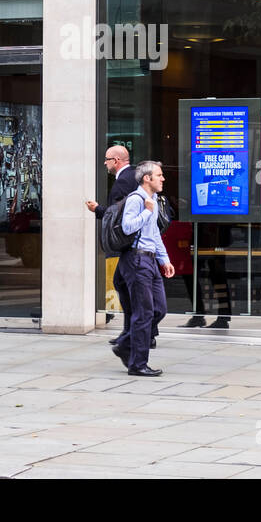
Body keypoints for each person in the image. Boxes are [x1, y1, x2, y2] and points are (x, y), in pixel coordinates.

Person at [117, 161, 175, 376]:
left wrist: (164, 259)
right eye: (159, 175)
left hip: (150, 260)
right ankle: (138, 364)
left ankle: (125, 343)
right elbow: (127, 226)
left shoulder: (153, 201)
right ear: (146, 179)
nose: (163, 178)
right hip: (136, 259)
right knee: (144, 313)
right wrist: (146, 212)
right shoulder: (136, 199)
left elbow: (155, 234)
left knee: (159, 309)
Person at [85, 146, 145, 351]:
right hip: (137, 244)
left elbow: (117, 215)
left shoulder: (122, 182)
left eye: (107, 159)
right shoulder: (136, 175)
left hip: (130, 246)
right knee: (124, 284)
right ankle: (132, 332)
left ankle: (136, 333)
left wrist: (97, 209)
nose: (105, 163)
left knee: (126, 287)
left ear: (117, 160)